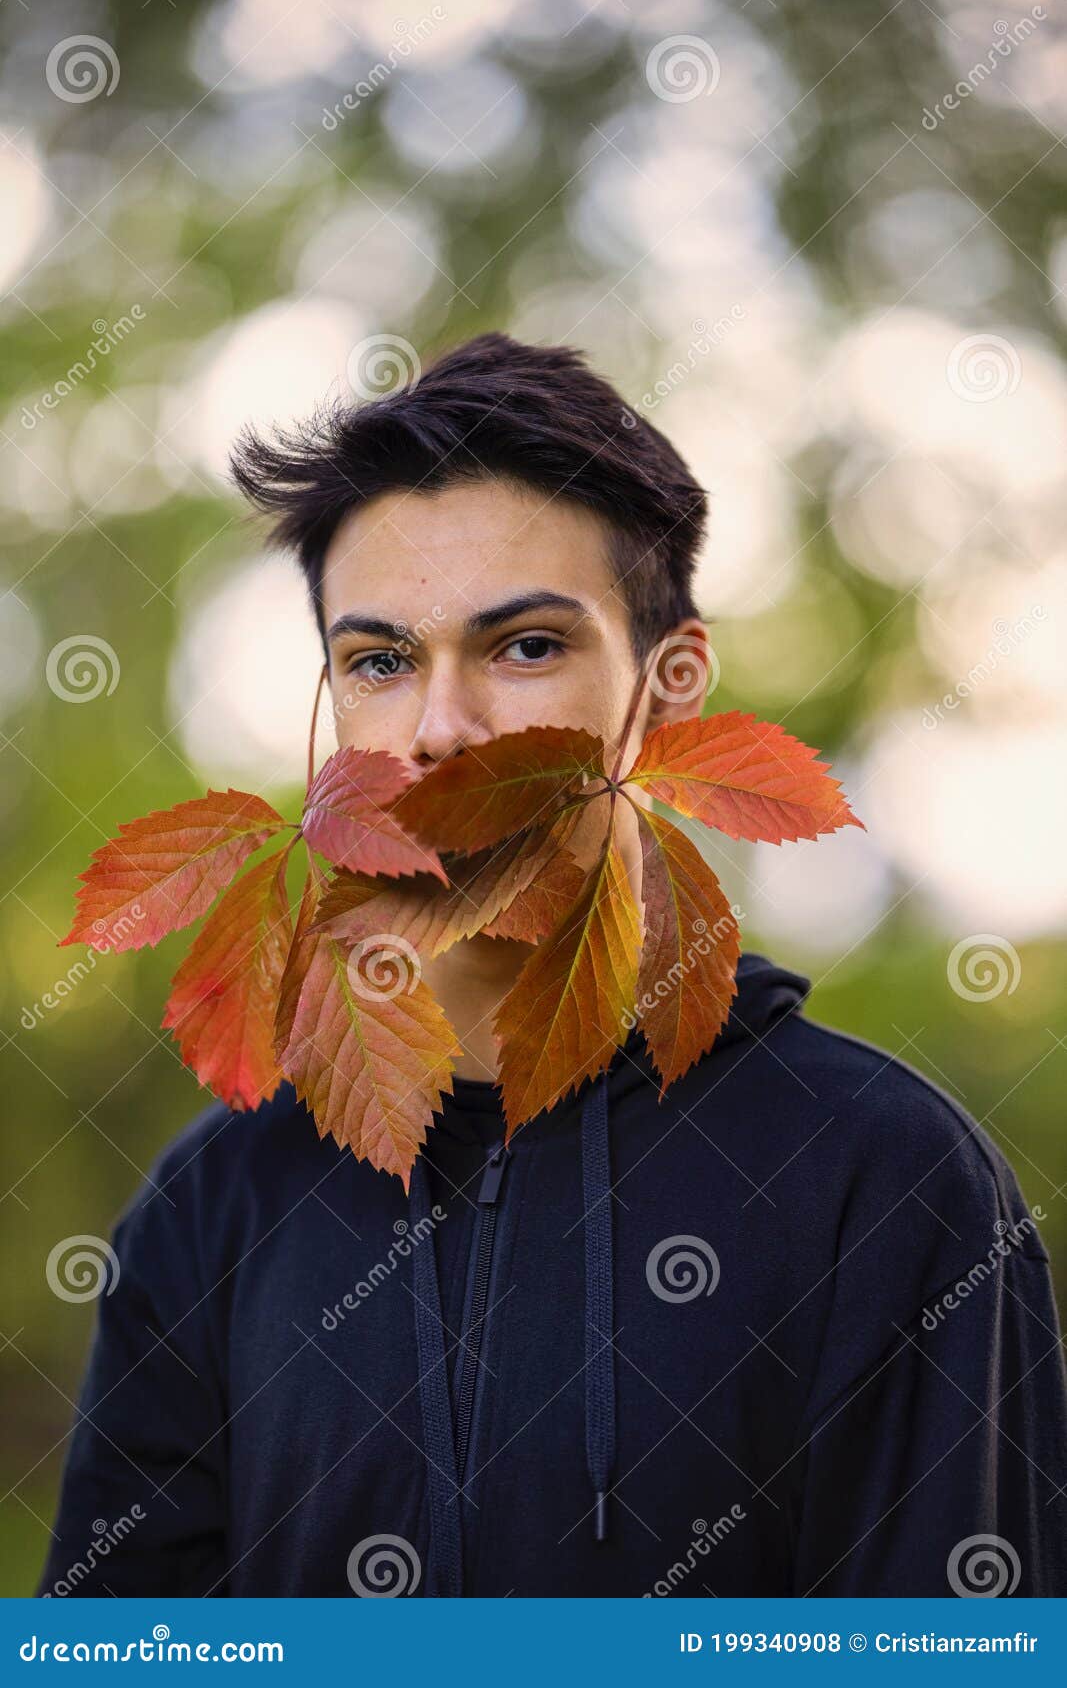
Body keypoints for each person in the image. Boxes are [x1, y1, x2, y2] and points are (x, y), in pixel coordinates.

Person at [39, 335, 1067, 1598]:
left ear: (668, 684)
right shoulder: (218, 1208)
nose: (440, 729)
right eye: (379, 662)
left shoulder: (881, 1179)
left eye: (524, 646)